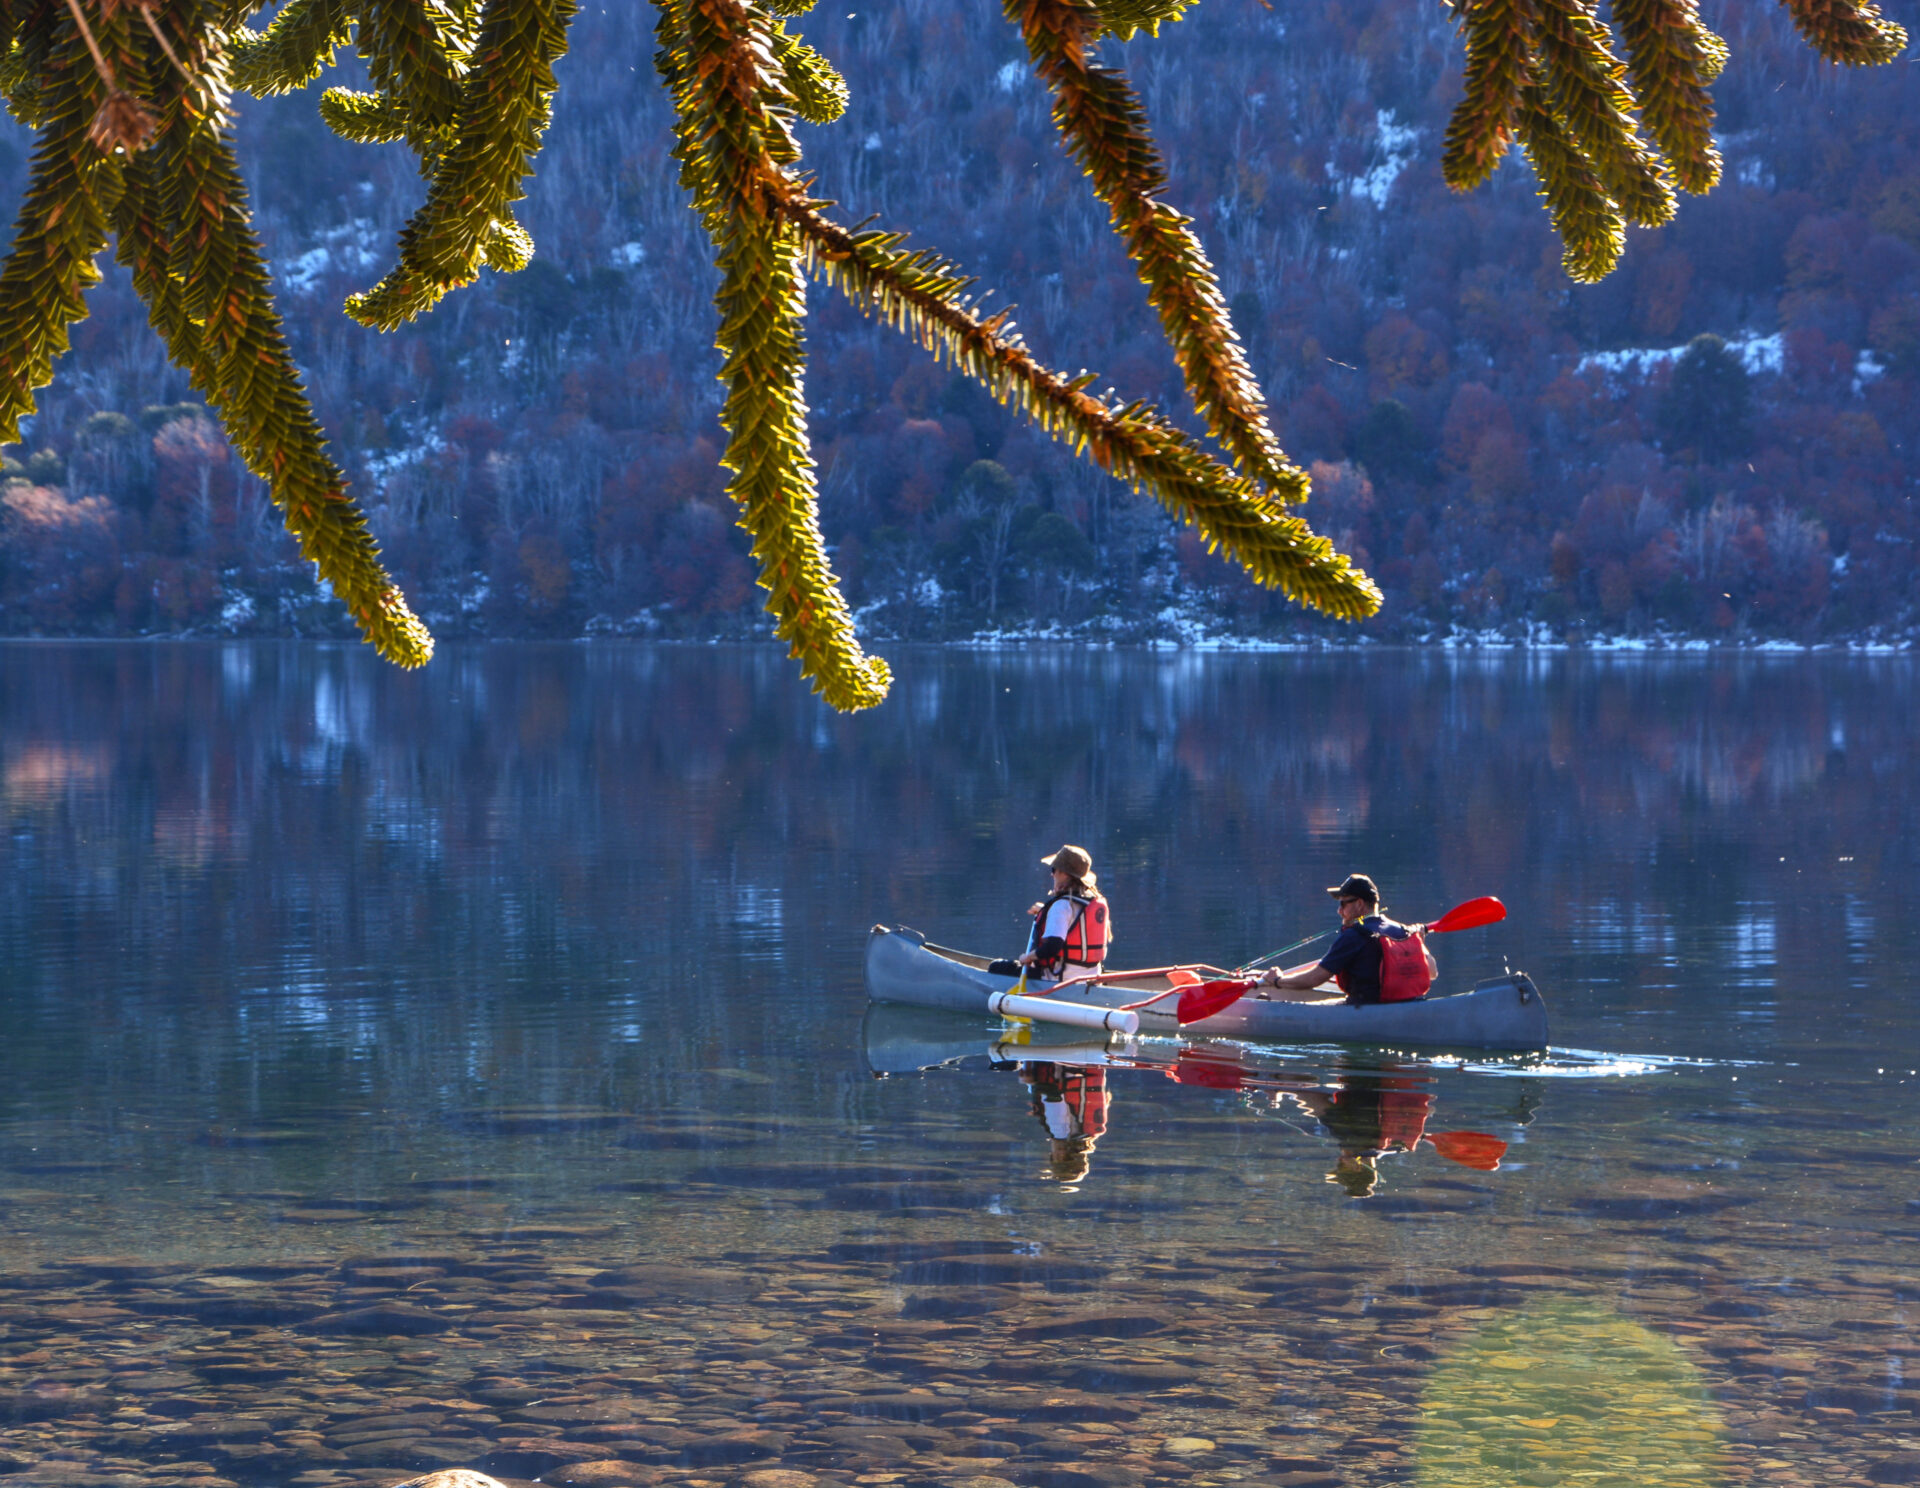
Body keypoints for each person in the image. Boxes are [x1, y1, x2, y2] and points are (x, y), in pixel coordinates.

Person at [1257, 873, 1436, 1005]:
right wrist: (1421, 942)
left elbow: (1315, 979)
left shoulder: (1354, 935)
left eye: (1343, 903)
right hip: (1405, 1004)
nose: (1339, 911)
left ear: (1359, 904)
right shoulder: (1405, 930)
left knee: (1304, 1005)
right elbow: (1432, 972)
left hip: (1365, 1009)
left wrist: (1278, 981)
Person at [1013, 844, 1112, 980]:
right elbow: (1073, 920)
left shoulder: (1061, 906)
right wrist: (1044, 911)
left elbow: (1052, 947)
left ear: (1064, 874)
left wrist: (1027, 957)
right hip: (1092, 979)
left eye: (1054, 870)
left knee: (996, 967)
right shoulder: (1093, 901)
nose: (1051, 874)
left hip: (1060, 979)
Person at [1019, 1060, 1109, 1186]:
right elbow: (1051, 1093)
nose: (1056, 1153)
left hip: (1091, 1061)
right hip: (1059, 1061)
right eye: (1056, 1158)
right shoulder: (1059, 1131)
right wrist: (1029, 1078)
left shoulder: (1094, 1132)